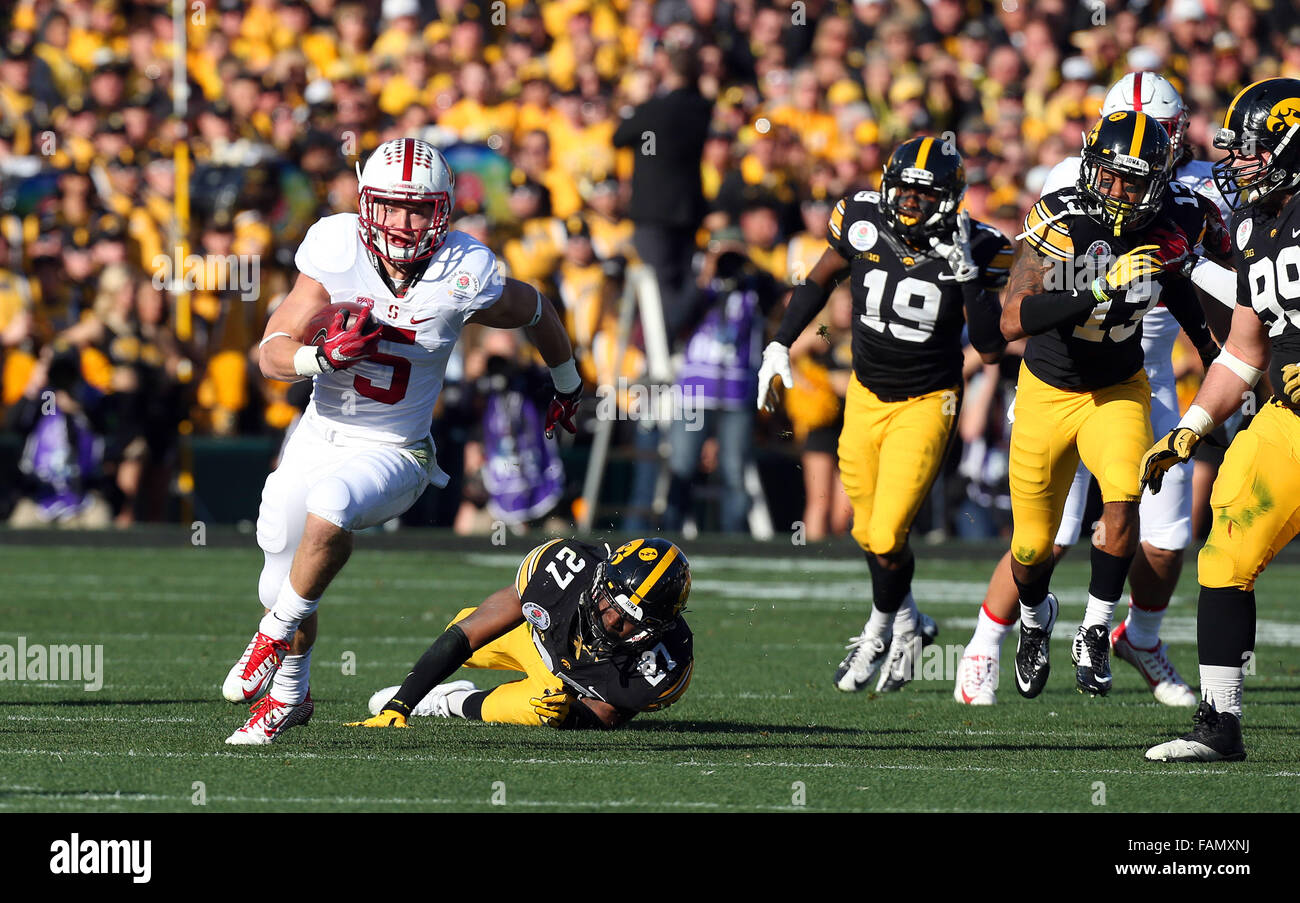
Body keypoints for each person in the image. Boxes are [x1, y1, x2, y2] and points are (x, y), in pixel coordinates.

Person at [221, 137, 583, 744]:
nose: (401, 221)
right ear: (366, 203)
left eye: (417, 209)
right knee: (280, 566)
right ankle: (289, 695)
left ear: (442, 211)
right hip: (318, 434)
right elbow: (270, 351)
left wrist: (567, 382)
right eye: (389, 206)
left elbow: (535, 309)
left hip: (397, 450)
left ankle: (271, 634)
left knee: (330, 507)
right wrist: (318, 357)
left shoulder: (466, 271)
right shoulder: (336, 248)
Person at [954, 73, 1236, 706]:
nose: (1116, 188)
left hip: (1133, 376)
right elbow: (1010, 318)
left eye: (1135, 172)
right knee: (1040, 539)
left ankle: (1109, 632)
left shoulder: (1186, 210)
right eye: (1108, 172)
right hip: (1053, 378)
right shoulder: (1064, 202)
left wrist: (1229, 355)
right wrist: (1099, 286)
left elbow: (1215, 275)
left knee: (1145, 517)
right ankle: (997, 637)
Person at [757, 136, 1012, 692]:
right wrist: (780, 343)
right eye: (904, 190)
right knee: (867, 530)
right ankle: (910, 623)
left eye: (923, 195)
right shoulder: (862, 215)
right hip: (864, 395)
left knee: (890, 529)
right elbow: (821, 278)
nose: (909, 203)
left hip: (927, 401)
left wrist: (967, 274)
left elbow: (991, 348)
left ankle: (879, 627)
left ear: (948, 197)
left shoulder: (982, 245)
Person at [1143, 77, 1300, 762]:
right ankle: (1219, 724)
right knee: (1226, 550)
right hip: (1289, 418)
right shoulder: (1252, 225)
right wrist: (1193, 425)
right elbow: (1243, 349)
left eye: (1253, 153)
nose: (1238, 165)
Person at [350, 537, 693, 729]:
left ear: (656, 627)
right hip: (533, 637)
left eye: (628, 618)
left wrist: (572, 715)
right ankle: (427, 692)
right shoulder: (567, 567)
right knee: (461, 626)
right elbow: (469, 632)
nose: (609, 620)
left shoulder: (665, 663)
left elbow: (610, 712)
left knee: (539, 709)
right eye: (608, 601)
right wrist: (399, 705)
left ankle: (447, 701)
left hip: (563, 684)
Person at [611, 38, 713, 342]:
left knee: (660, 287)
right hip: (688, 209)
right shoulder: (702, 108)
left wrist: (635, 102)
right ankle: (682, 343)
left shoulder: (654, 109)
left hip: (653, 212)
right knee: (682, 280)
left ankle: (659, 350)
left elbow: (618, 138)